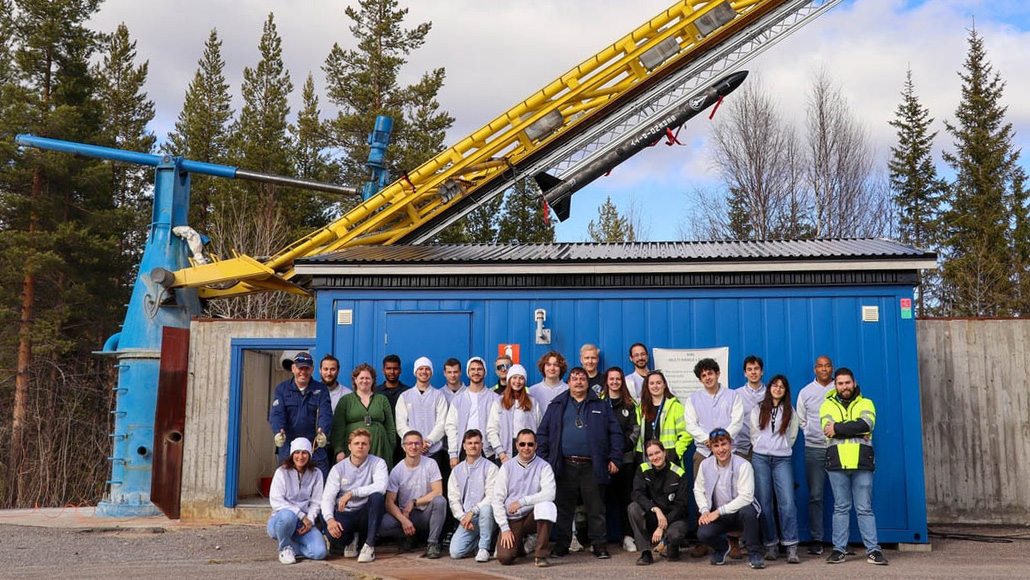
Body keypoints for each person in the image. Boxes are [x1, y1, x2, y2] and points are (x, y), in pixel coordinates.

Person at [537, 366, 624, 559]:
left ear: (588, 383)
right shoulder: (557, 405)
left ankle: (599, 545)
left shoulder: (601, 406)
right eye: (574, 378)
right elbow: (542, 433)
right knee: (564, 508)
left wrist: (615, 458)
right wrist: (545, 461)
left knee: (596, 508)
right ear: (568, 382)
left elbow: (616, 433)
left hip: (593, 465)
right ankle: (561, 545)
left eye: (582, 379)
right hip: (564, 465)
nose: (578, 382)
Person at [820, 368, 887, 565]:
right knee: (840, 508)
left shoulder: (866, 403)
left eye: (847, 383)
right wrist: (855, 429)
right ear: (835, 385)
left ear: (854, 383)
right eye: (840, 383)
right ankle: (839, 550)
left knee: (864, 508)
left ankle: (873, 550)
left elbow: (866, 425)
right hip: (837, 462)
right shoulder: (826, 405)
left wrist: (839, 428)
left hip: (862, 462)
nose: (844, 387)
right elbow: (827, 430)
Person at [694, 428, 765, 569]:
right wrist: (704, 510)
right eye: (716, 446)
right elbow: (698, 490)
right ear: (711, 448)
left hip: (740, 515)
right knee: (702, 533)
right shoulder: (705, 465)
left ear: (731, 444)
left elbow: (746, 497)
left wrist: (718, 511)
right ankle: (721, 548)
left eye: (724, 444)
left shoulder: (744, 465)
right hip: (720, 516)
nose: (721, 450)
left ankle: (754, 553)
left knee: (749, 511)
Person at [750, 374, 800, 563]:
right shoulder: (758, 408)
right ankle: (770, 545)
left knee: (787, 502)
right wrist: (762, 446)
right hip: (760, 458)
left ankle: (791, 546)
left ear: (785, 390)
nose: (778, 389)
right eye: (774, 385)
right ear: (769, 387)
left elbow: (793, 434)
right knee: (764, 503)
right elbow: (754, 432)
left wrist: (783, 446)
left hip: (782, 460)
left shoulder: (790, 411)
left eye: (782, 386)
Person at [492, 429, 557, 567]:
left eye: (530, 444)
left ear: (536, 445)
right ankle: (520, 544)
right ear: (516, 446)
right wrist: (504, 528)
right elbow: (497, 499)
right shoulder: (507, 467)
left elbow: (550, 493)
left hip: (531, 516)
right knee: (505, 558)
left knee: (547, 506)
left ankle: (540, 555)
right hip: (512, 518)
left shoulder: (544, 466)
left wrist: (522, 502)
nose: (526, 448)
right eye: (522, 444)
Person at [322, 428, 388, 563]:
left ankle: (369, 545)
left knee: (377, 497)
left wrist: (353, 493)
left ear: (369, 446)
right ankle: (351, 539)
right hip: (346, 513)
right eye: (356, 443)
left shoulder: (378, 463)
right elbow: (328, 497)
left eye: (364, 444)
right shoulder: (338, 468)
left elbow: (381, 486)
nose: (360, 446)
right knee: (332, 533)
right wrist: (330, 520)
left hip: (365, 513)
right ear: (349, 446)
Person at [380, 430, 448, 558]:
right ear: (403, 447)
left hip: (425, 513)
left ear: (422, 446)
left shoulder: (430, 464)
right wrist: (404, 520)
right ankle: (408, 536)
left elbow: (438, 491)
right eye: (409, 443)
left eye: (417, 443)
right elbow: (389, 503)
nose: (413, 447)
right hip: (406, 514)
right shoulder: (397, 471)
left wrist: (414, 502)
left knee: (440, 501)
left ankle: (432, 543)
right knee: (383, 524)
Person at [269, 351, 333, 476]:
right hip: (288, 443)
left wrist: (323, 432)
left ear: (312, 370)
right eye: (300, 368)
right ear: (293, 368)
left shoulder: (321, 390)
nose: (303, 372)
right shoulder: (282, 389)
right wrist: (278, 432)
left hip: (314, 443)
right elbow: (277, 414)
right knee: (285, 477)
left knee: (321, 475)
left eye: (307, 368)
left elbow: (325, 413)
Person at [628, 439, 690, 565]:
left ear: (664, 453)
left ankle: (671, 545)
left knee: (675, 537)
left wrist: (662, 525)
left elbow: (681, 506)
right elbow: (637, 494)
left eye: (657, 453)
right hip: (654, 515)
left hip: (674, 518)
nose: (655, 457)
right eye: (650, 455)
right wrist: (655, 509)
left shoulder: (679, 473)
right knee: (633, 508)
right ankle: (645, 553)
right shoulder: (643, 469)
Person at [267, 437, 327, 565]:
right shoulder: (282, 472)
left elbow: (316, 501)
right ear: (292, 454)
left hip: (303, 523)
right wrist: (301, 515)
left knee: (320, 552)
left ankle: (292, 545)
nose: (301, 456)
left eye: (304, 452)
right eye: (297, 452)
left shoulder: (316, 473)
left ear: (309, 455)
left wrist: (309, 521)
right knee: (288, 516)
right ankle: (284, 548)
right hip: (281, 520)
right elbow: (276, 501)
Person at [797, 355, 834, 554]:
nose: (824, 369)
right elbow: (801, 420)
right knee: (816, 495)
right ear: (815, 370)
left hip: (838, 448)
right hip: (814, 449)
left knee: (842, 496)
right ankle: (817, 538)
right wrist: (812, 432)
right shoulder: (806, 392)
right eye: (820, 366)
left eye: (827, 365)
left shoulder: (841, 388)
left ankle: (840, 540)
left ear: (832, 368)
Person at [602, 367, 640, 551]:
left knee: (626, 499)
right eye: (612, 379)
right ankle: (604, 538)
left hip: (625, 460)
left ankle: (628, 536)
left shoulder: (630, 404)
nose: (615, 382)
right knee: (603, 500)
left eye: (618, 379)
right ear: (607, 381)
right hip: (604, 460)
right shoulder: (599, 402)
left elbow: (635, 431)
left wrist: (620, 448)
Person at [447, 429, 499, 561]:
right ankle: (486, 539)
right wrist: (463, 518)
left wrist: (473, 511)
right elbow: (454, 499)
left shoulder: (491, 468)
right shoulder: (457, 470)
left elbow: (492, 496)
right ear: (464, 446)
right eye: (469, 443)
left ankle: (484, 548)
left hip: (486, 515)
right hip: (468, 519)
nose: (473, 446)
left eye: (476, 443)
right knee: (455, 552)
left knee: (486, 508)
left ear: (481, 445)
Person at [332, 363, 396, 466]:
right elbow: (338, 428)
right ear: (355, 380)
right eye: (361, 378)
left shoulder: (382, 399)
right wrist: (339, 449)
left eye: (368, 378)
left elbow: (390, 427)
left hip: (379, 446)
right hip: (354, 447)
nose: (364, 381)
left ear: (373, 380)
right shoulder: (346, 400)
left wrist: (389, 446)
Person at [394, 357, 449, 477]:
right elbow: (401, 424)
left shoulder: (439, 396)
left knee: (434, 486)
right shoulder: (405, 396)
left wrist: (428, 442)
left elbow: (442, 422)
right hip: (411, 452)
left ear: (431, 372)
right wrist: (415, 442)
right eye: (421, 369)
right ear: (415, 372)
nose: (424, 372)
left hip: (434, 451)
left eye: (427, 369)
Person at [446, 357, 501, 467]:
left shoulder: (495, 398)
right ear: (468, 372)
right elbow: (451, 428)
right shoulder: (458, 400)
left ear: (485, 372)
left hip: (488, 452)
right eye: (473, 369)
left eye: (479, 369)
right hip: (464, 452)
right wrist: (453, 454)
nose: (476, 372)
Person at [487, 363, 542, 463]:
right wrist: (501, 454)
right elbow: (492, 430)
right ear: (509, 380)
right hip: (505, 453)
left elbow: (539, 428)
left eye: (521, 378)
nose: (517, 381)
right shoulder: (499, 402)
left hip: (527, 450)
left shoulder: (533, 402)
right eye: (514, 377)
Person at [635, 370, 691, 466]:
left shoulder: (675, 406)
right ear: (647, 386)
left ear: (664, 385)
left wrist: (676, 452)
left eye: (658, 383)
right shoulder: (641, 408)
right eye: (651, 383)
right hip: (646, 458)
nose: (655, 386)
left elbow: (686, 434)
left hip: (669, 458)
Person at [732, 355, 766, 460]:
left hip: (765, 449)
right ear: (745, 373)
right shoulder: (735, 395)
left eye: (756, 369)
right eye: (749, 369)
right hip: (741, 449)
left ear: (762, 372)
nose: (753, 372)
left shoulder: (771, 394)